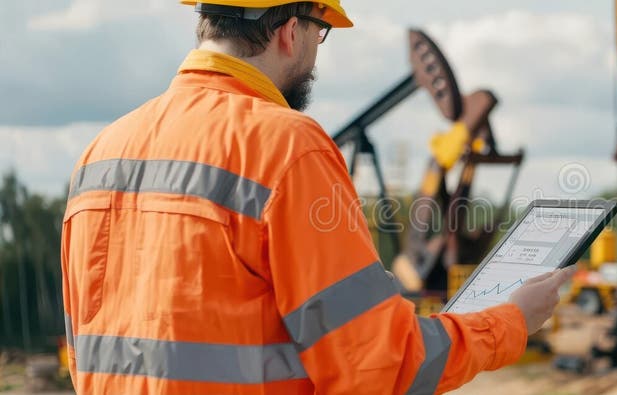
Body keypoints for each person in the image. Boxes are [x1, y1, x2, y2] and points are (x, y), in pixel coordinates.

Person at [59, 1, 574, 393]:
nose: (314, 53)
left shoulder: (101, 154)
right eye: (320, 33)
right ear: (289, 31)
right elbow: (379, 363)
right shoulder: (287, 147)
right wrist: (511, 320)